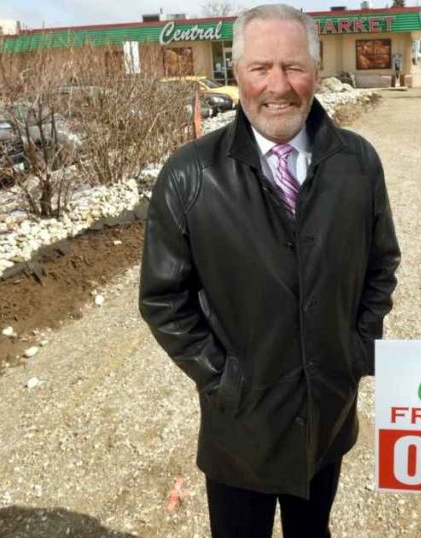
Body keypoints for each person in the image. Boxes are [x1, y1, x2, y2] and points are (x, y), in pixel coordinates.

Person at [138, 4, 400, 537]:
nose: (277, 86)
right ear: (236, 75)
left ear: (317, 72)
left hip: (326, 415)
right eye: (260, 68)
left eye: (293, 67)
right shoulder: (190, 176)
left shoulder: (358, 163)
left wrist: (357, 351)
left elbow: (381, 263)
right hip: (240, 427)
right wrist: (223, 378)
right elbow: (164, 299)